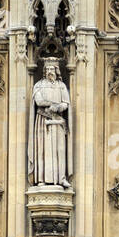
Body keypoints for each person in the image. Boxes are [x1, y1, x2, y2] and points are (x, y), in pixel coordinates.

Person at [29, 58, 71, 188]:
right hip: (43, 120)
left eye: (52, 69)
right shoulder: (39, 85)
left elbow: (66, 104)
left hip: (57, 120)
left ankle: (61, 178)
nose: (49, 71)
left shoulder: (61, 86)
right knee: (43, 150)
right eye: (47, 69)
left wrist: (58, 107)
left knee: (59, 149)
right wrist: (53, 104)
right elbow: (39, 102)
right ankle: (41, 178)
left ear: (56, 70)